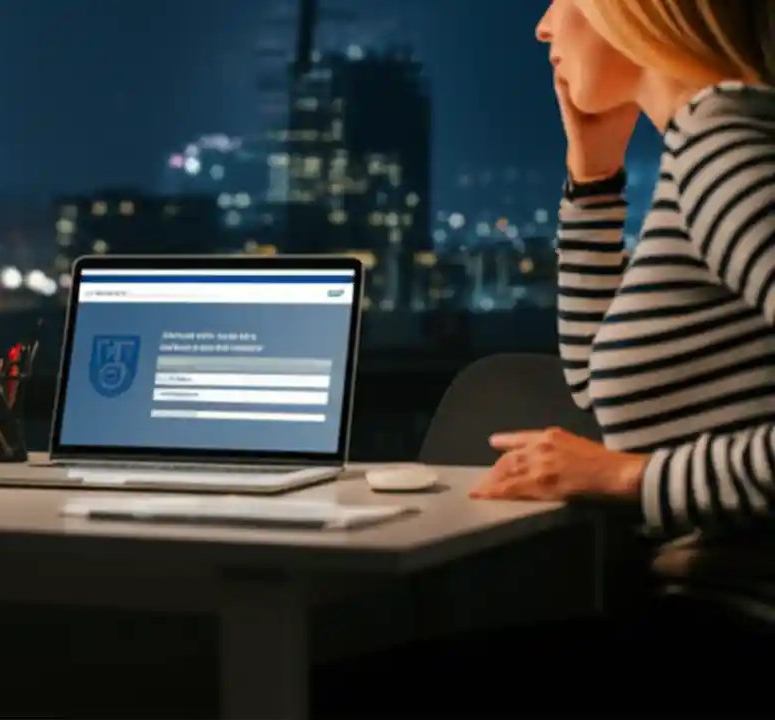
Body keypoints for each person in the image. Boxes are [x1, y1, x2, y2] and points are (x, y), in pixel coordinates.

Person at [315, 0, 775, 715]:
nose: (542, 26)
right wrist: (593, 179)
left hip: (738, 631)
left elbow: (624, 451)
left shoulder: (727, 143)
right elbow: (599, 380)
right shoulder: (704, 145)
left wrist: (629, 477)